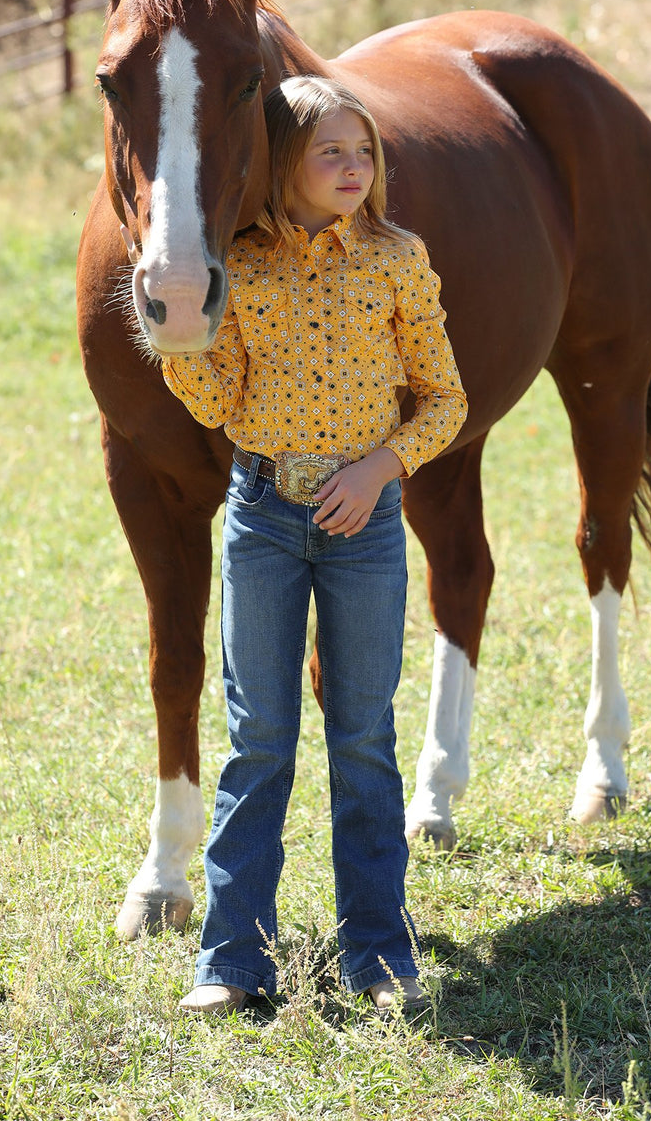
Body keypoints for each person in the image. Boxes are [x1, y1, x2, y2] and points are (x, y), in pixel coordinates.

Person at [160, 75, 467, 1018]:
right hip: (262, 515)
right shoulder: (242, 267)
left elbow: (445, 397)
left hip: (365, 522)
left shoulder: (397, 260)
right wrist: (182, 342)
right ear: (284, 161)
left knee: (365, 738)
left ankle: (377, 953)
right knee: (259, 738)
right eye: (330, 151)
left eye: (363, 152)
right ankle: (232, 958)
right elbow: (222, 403)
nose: (352, 168)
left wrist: (382, 469)